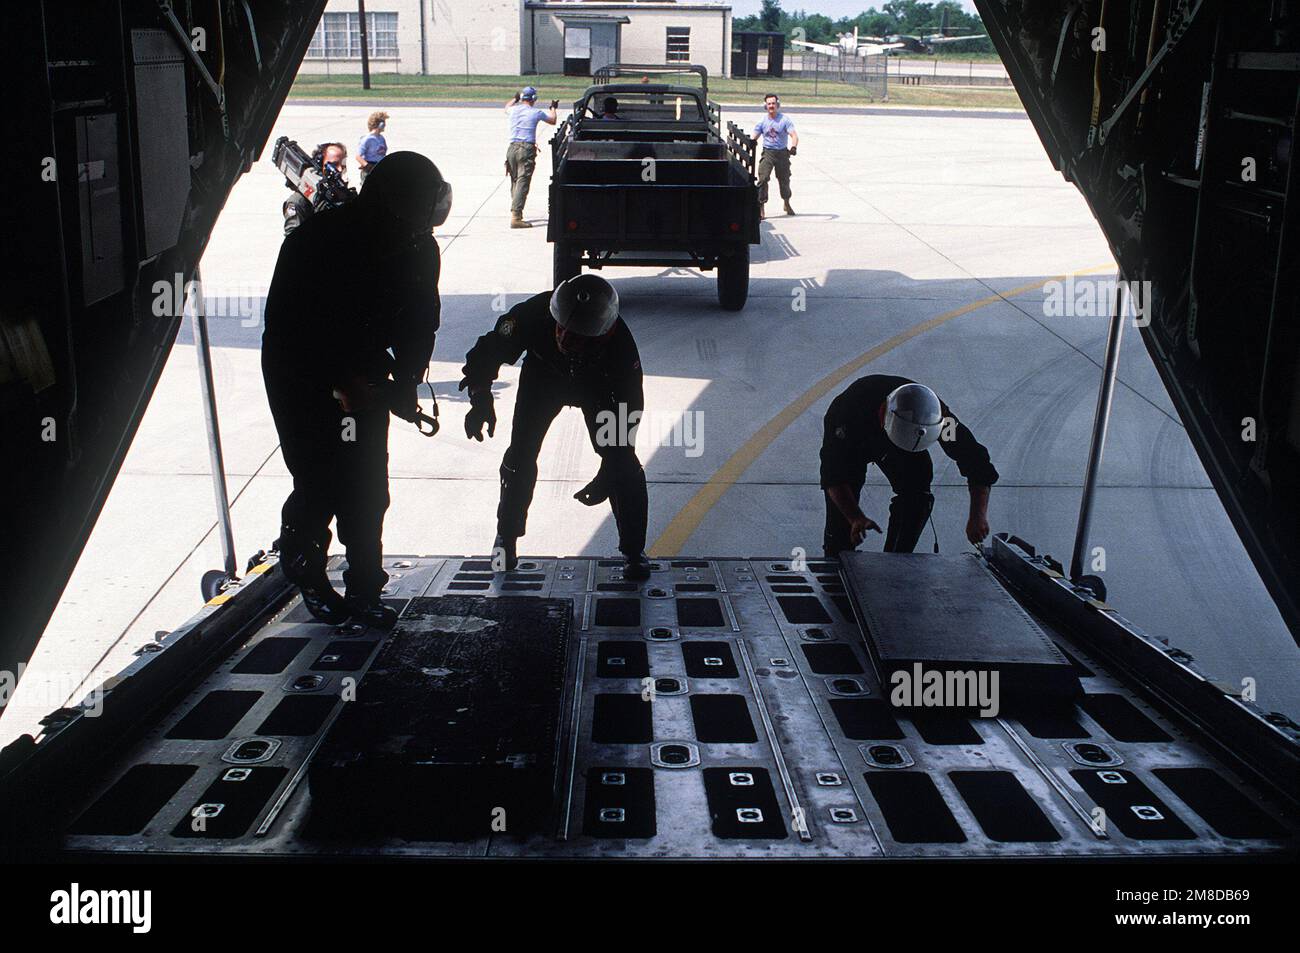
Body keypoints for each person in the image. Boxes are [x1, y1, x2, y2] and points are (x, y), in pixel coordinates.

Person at [262, 152, 450, 628]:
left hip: (364, 365)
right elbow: (290, 328)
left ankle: (366, 587)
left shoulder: (419, 247)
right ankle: (305, 568)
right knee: (321, 480)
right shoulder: (318, 242)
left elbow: (420, 322)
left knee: (368, 484)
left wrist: (406, 381)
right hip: (299, 370)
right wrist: (339, 381)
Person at [459, 275, 651, 580]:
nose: (564, 340)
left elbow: (629, 410)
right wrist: (479, 397)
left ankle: (633, 551)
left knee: (624, 466)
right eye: (561, 330)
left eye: (577, 338)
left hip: (596, 386)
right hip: (543, 379)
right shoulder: (534, 314)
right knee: (520, 455)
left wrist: (610, 468)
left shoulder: (620, 346)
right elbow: (489, 350)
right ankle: (506, 538)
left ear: (603, 334)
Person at [820, 376, 997, 558]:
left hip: (905, 449)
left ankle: (898, 560)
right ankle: (836, 557)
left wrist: (977, 516)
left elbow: (975, 461)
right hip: (854, 443)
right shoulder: (845, 416)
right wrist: (855, 517)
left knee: (918, 494)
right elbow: (834, 476)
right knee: (840, 523)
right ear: (883, 418)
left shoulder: (943, 421)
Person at [503, 86, 558, 228]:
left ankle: (515, 212)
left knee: (515, 181)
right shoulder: (535, 112)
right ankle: (516, 216)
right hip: (526, 149)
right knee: (523, 182)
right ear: (534, 99)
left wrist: (514, 99)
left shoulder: (513, 110)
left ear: (521, 99)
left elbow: (506, 107)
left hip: (512, 149)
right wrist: (553, 108)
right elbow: (552, 120)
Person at [282, 142, 349, 237]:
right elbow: (292, 240)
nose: (339, 169)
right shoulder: (299, 202)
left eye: (342, 165)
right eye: (334, 165)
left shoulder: (343, 194)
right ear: (320, 165)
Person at [753, 94, 799, 219]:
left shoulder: (784, 120)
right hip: (768, 152)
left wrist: (793, 147)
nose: (771, 106)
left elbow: (794, 135)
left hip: (782, 153)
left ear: (777, 105)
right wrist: (751, 142)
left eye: (773, 103)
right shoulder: (762, 121)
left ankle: (786, 202)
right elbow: (754, 136)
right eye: (769, 104)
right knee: (763, 178)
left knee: (784, 179)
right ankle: (761, 206)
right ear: (765, 106)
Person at [356, 111, 389, 184]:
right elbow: (358, 156)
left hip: (379, 167)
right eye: (384, 123)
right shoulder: (367, 139)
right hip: (370, 168)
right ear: (381, 124)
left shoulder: (381, 138)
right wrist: (368, 166)